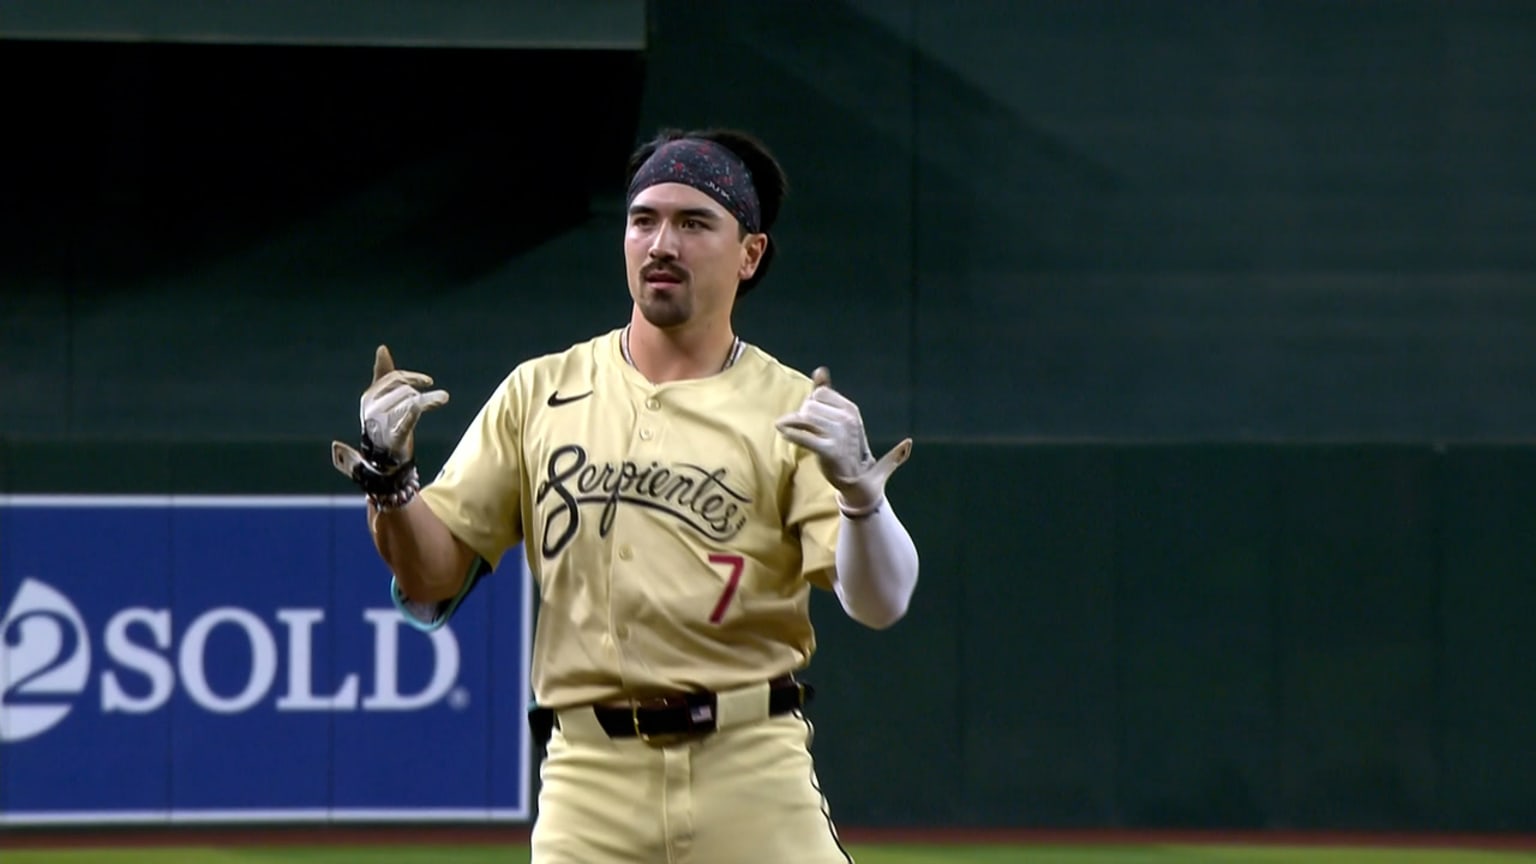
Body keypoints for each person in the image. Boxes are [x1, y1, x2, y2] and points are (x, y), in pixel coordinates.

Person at [331, 126, 920, 863]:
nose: (661, 243)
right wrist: (390, 480)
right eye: (644, 220)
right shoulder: (539, 392)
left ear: (750, 253)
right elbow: (430, 576)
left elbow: (880, 601)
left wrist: (862, 498)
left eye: (694, 222)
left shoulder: (790, 406)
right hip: (589, 779)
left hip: (750, 769)